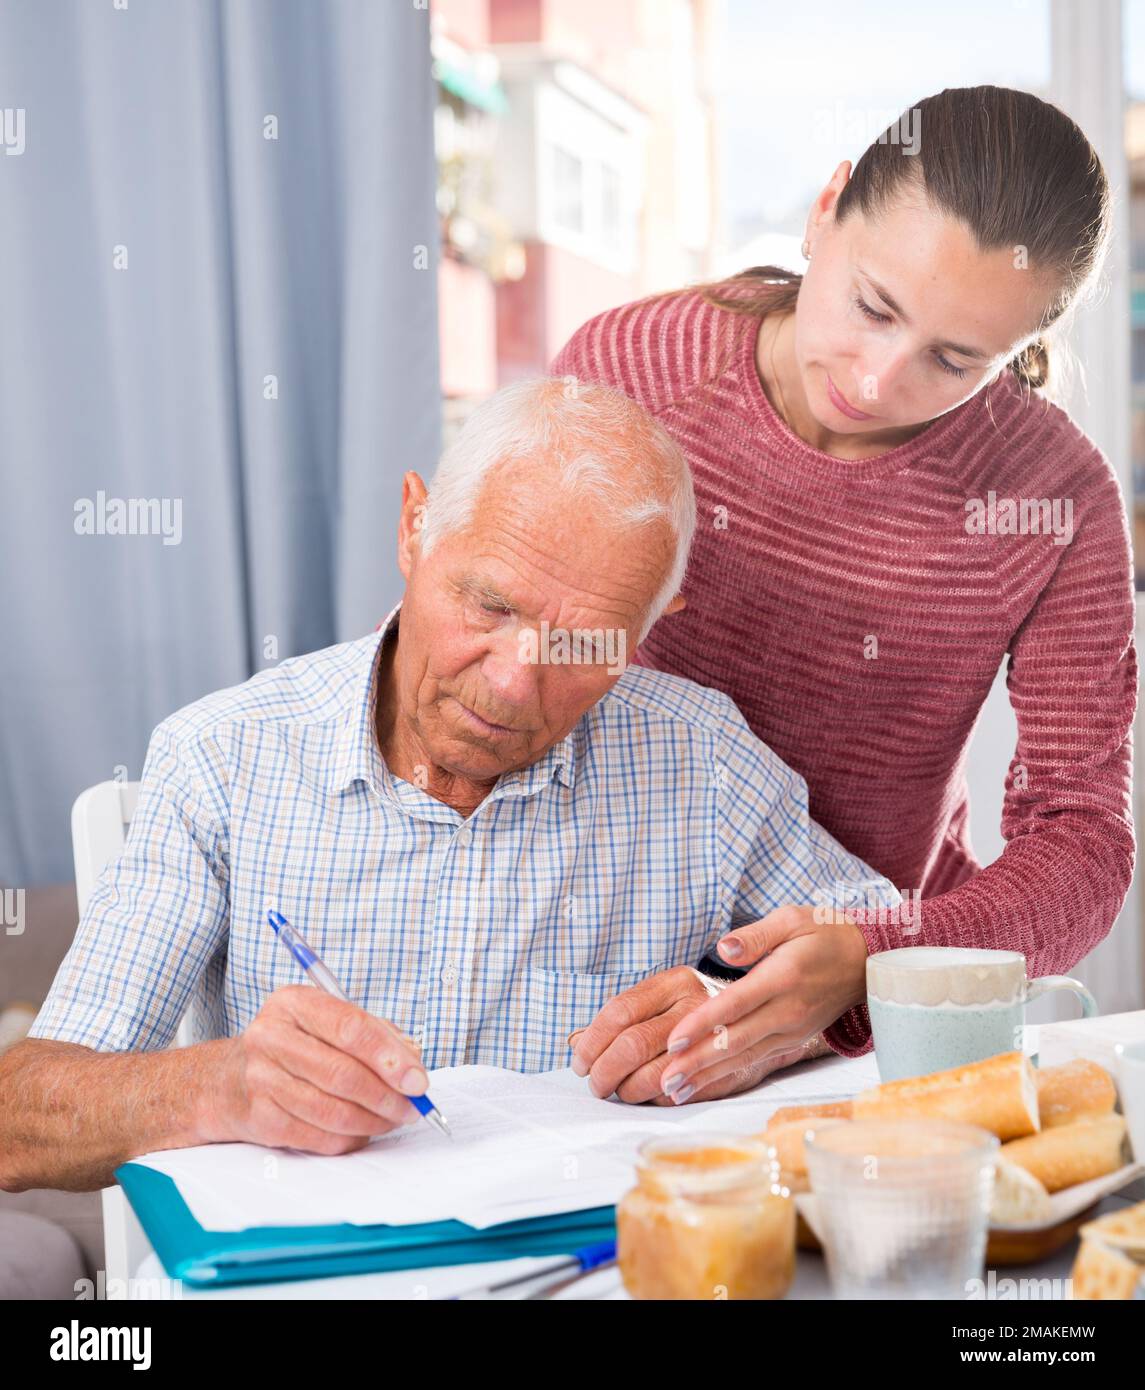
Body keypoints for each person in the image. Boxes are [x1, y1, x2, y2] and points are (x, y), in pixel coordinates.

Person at [0, 378, 896, 1192]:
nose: (511, 684)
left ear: (653, 626)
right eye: (490, 606)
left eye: (585, 645)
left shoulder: (702, 761)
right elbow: (21, 1122)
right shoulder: (222, 759)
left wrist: (779, 1026)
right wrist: (219, 1085)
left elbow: (909, 970)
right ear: (411, 527)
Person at [550, 85, 1137, 1098]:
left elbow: (1082, 840)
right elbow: (520, 647)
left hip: (861, 1025)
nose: (873, 382)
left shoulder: (1055, 497)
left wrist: (880, 954)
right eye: (871, 306)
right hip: (597, 973)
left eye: (952, 360)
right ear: (826, 208)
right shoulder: (627, 370)